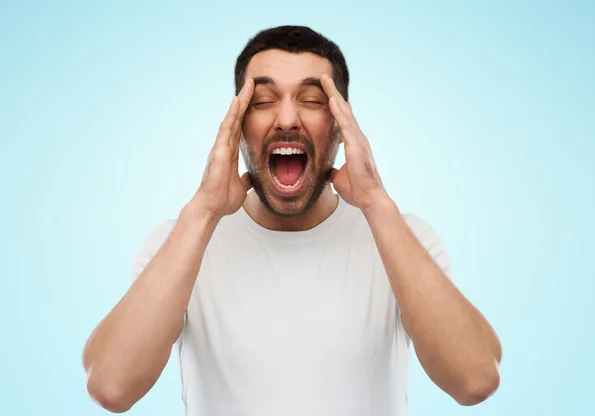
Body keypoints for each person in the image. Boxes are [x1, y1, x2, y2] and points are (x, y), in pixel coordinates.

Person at [82, 25, 502, 415]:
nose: (286, 119)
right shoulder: (180, 242)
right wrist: (204, 210)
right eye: (262, 101)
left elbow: (475, 379)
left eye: (314, 100)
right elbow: (112, 387)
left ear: (341, 125)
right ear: (239, 125)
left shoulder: (402, 237)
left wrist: (377, 203)